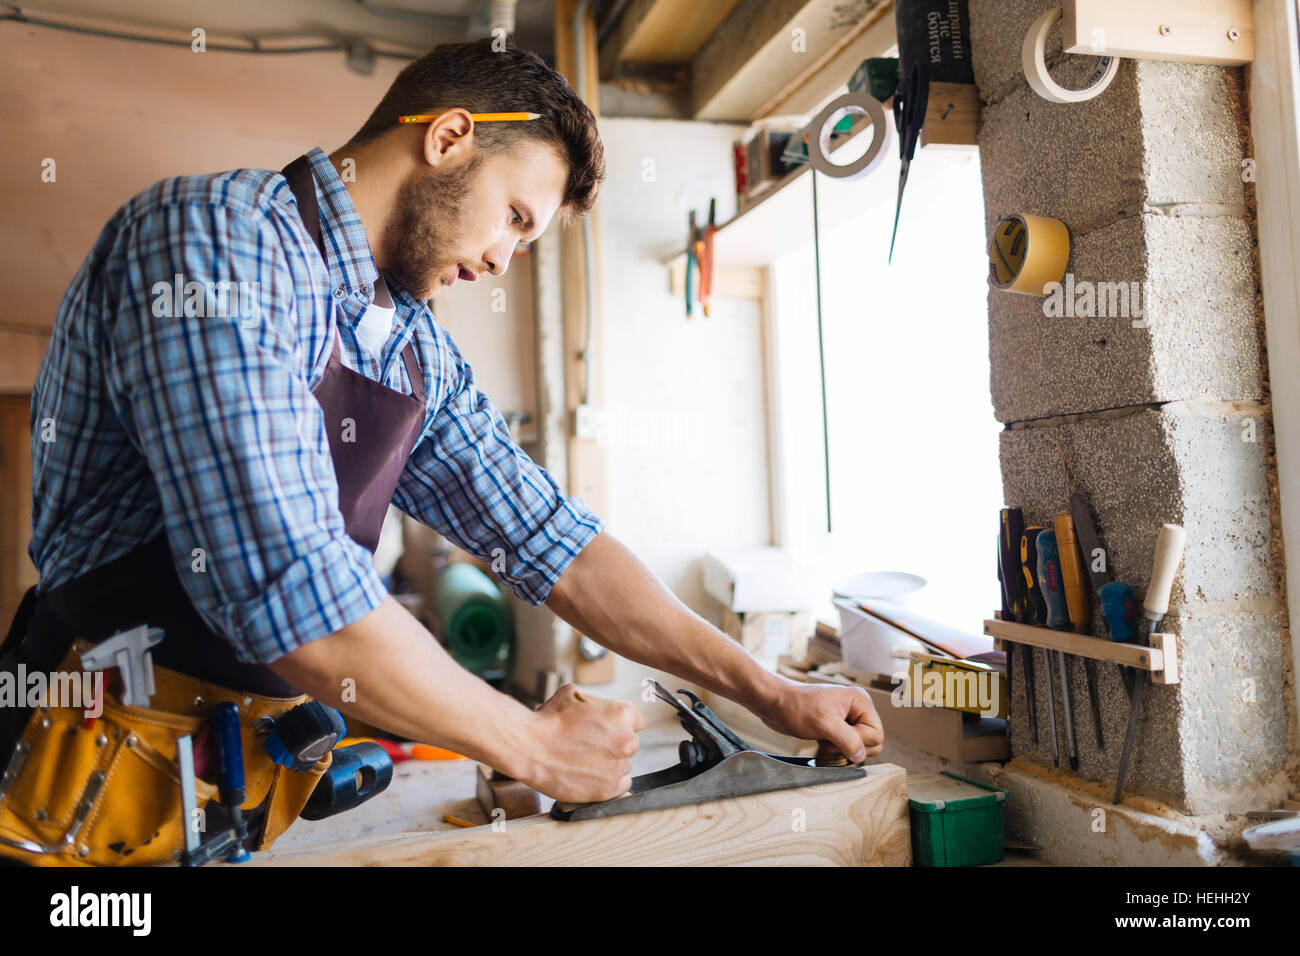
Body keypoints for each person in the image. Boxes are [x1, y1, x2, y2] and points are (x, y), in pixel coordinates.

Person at [0, 39, 881, 863]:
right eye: (514, 218)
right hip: (81, 778)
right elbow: (289, 587)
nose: (504, 260)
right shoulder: (216, 242)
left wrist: (769, 691)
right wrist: (529, 743)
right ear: (451, 138)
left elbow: (554, 543)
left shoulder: (411, 346)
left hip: (223, 785)